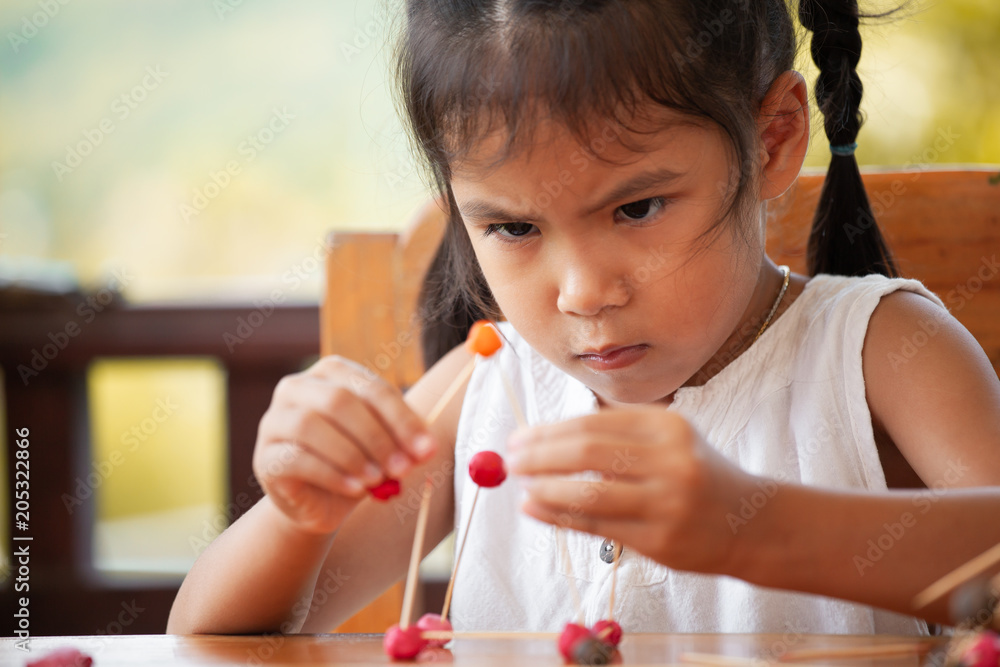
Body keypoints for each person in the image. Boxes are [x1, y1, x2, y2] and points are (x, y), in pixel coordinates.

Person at [167, 0, 1000, 637]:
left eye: (637, 207)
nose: (581, 293)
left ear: (775, 139)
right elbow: (207, 637)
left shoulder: (878, 350)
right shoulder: (487, 387)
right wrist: (297, 514)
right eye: (514, 228)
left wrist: (754, 528)